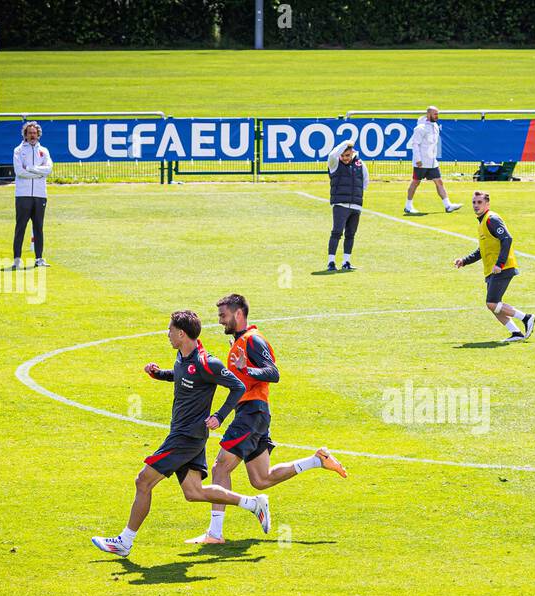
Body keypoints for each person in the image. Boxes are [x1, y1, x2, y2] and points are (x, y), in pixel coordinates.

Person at [92, 310, 270, 557]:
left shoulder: (207, 363)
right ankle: (253, 504)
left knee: (143, 481)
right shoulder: (183, 356)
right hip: (184, 435)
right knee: (194, 492)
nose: (167, 334)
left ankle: (125, 541)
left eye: (169, 330)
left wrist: (219, 415)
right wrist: (159, 374)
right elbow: (181, 374)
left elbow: (237, 386)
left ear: (181, 333)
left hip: (186, 437)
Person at [189, 294, 348, 545]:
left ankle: (215, 533)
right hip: (254, 413)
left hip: (252, 413)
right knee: (260, 479)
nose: (220, 321)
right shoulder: (240, 341)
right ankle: (316, 461)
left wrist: (246, 369)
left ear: (238, 314)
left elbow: (273, 372)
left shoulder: (253, 340)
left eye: (223, 316)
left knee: (220, 467)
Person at [454, 191, 535, 342]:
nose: (476, 205)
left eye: (479, 202)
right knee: (493, 304)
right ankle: (516, 333)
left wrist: (500, 264)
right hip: (492, 269)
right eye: (474, 202)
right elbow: (482, 250)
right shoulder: (482, 222)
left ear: (487, 204)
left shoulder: (491, 219)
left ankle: (526, 318)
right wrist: (465, 261)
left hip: (502, 268)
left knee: (492, 303)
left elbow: (507, 239)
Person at [404, 106, 461, 215]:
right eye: (435, 114)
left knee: (439, 182)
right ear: (429, 114)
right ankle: (408, 206)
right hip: (421, 162)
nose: (437, 116)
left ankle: (448, 205)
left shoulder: (435, 126)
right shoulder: (420, 128)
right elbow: (415, 144)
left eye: (437, 114)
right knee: (416, 182)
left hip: (432, 161)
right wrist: (418, 159)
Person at [11, 120, 52, 270]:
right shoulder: (18, 150)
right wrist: (37, 173)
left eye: (35, 133)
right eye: (30, 133)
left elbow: (48, 169)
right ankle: (17, 259)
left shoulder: (44, 151)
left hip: (40, 194)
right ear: (25, 135)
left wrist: (29, 168)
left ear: (38, 134)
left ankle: (39, 258)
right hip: (23, 194)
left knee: (38, 227)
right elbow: (19, 172)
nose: (33, 135)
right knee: (20, 226)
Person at [326, 138, 368, 272]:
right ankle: (331, 262)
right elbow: (332, 155)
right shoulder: (334, 164)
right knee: (337, 232)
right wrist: (345, 143)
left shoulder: (361, 164)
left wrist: (357, 196)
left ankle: (346, 261)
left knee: (351, 234)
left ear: (352, 153)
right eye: (343, 155)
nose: (345, 158)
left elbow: (365, 181)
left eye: (347, 155)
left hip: (356, 205)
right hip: (340, 205)